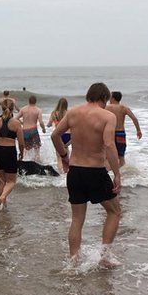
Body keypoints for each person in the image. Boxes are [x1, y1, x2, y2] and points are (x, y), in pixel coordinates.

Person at [50, 82, 121, 268]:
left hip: (75, 172)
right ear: (104, 98)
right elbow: (109, 144)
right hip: (96, 171)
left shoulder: (73, 112)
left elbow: (55, 135)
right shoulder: (107, 116)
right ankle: (104, 257)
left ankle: (73, 262)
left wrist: (65, 156)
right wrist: (117, 174)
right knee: (114, 212)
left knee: (77, 219)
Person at [0, 97, 24, 210]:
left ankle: (2, 204)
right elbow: (21, 143)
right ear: (13, 109)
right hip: (9, 151)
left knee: (1, 180)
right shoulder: (16, 124)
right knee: (12, 181)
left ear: (1, 108)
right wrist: (21, 153)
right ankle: (3, 196)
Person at [105, 91, 142, 168]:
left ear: (113, 98)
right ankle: (122, 173)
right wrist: (138, 130)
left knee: (107, 156)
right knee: (121, 157)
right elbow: (134, 119)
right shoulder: (124, 108)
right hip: (120, 134)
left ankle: (109, 173)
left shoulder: (107, 107)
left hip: (109, 134)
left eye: (110, 97)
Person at [17, 95, 47, 163]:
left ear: (29, 101)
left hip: (24, 131)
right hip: (33, 130)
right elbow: (41, 122)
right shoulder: (38, 110)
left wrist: (22, 123)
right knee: (37, 151)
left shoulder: (23, 109)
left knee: (25, 151)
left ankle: (24, 163)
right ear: (35, 101)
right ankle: (38, 164)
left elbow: (16, 118)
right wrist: (43, 129)